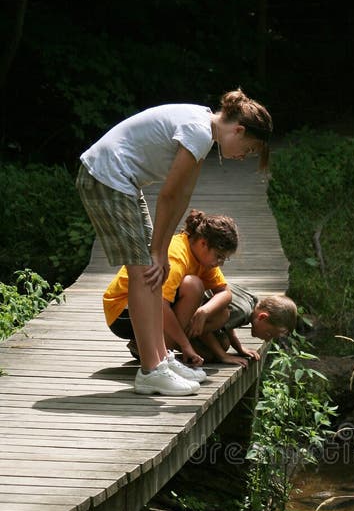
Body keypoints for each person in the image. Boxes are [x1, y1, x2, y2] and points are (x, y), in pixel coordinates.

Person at [76, 89, 272, 395]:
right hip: (106, 178)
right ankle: (151, 370)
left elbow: (182, 196)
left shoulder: (203, 133)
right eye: (248, 148)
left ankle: (160, 361)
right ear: (239, 130)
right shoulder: (198, 131)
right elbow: (167, 195)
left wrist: (161, 252)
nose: (243, 156)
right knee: (144, 272)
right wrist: (157, 250)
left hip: (124, 184)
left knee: (154, 272)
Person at [103, 209, 238, 380]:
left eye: (224, 259)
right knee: (193, 285)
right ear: (203, 243)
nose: (220, 263)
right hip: (124, 311)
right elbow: (160, 304)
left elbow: (225, 293)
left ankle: (147, 345)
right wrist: (185, 345)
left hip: (152, 307)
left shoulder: (202, 258)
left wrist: (204, 312)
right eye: (219, 257)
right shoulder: (177, 254)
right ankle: (161, 353)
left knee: (220, 315)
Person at [189, 287, 297, 366]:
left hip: (197, 314)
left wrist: (239, 348)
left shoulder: (251, 302)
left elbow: (229, 322)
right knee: (208, 354)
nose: (268, 339)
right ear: (262, 317)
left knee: (224, 343)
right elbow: (201, 325)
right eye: (269, 334)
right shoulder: (242, 312)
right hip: (187, 315)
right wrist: (223, 356)